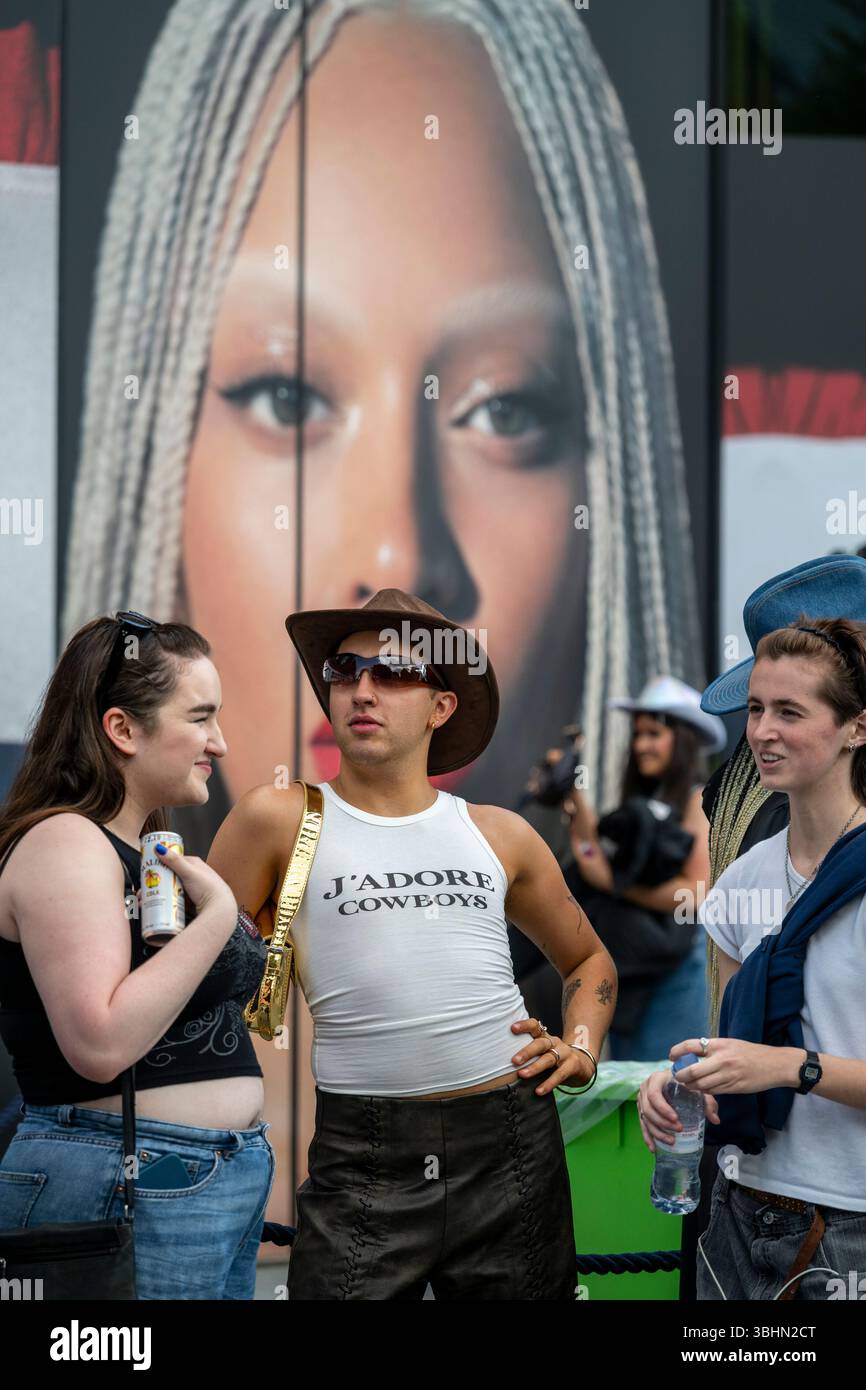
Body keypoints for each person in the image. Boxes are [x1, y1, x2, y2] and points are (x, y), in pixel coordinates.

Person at [207, 587, 617, 1300]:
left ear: (441, 705)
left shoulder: (498, 833)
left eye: (393, 672)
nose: (362, 689)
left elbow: (588, 961)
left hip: (511, 1140)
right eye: (345, 669)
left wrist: (580, 1051)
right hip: (363, 1148)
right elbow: (196, 983)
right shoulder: (276, 818)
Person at [0, 613, 275, 1300]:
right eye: (200, 718)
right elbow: (99, 1041)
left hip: (203, 1179)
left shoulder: (143, 848)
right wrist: (215, 919)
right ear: (122, 729)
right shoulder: (66, 842)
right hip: (128, 1175)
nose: (220, 742)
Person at [638, 614, 866, 1301]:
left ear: (857, 727)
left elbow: (770, 1060)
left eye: (790, 712)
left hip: (851, 1225)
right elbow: (732, 1050)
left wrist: (790, 1066)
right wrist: (680, 1084)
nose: (762, 731)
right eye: (757, 709)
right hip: (738, 1210)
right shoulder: (742, 880)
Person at [565, 677, 725, 1060]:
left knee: (674, 1086)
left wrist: (614, 884)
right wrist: (572, 795)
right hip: (633, 975)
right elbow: (593, 860)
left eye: (653, 734)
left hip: (680, 974)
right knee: (632, 1093)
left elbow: (696, 892)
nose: (640, 746)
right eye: (638, 735)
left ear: (683, 739)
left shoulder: (697, 800)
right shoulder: (643, 801)